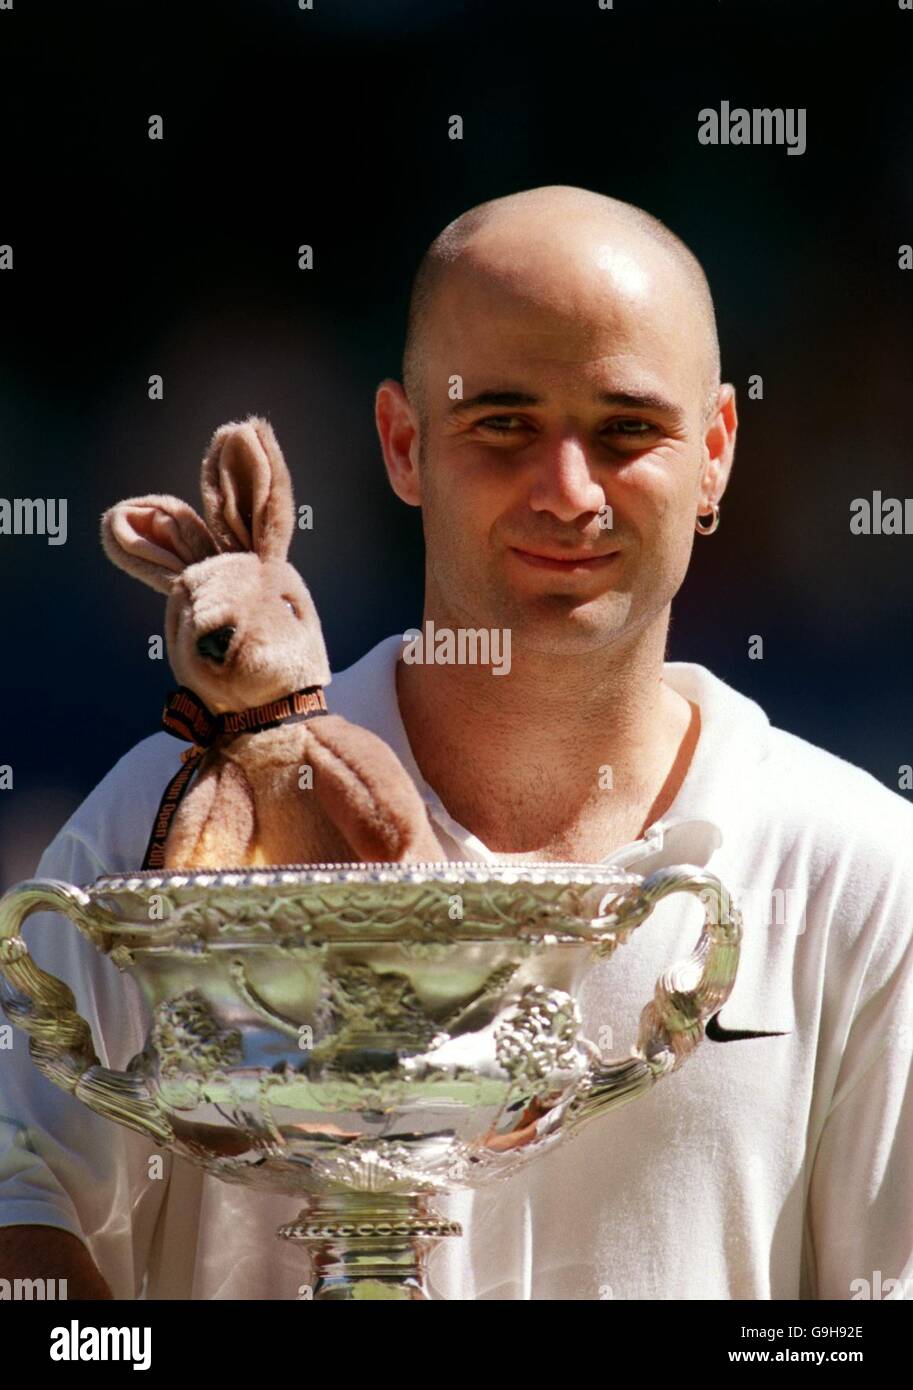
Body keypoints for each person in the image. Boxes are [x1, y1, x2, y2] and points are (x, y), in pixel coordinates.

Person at [1, 185, 911, 1300]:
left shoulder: (863, 871)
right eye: (503, 423)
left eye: (628, 429)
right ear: (402, 442)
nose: (569, 492)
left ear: (715, 450)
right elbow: (16, 1207)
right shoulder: (163, 823)